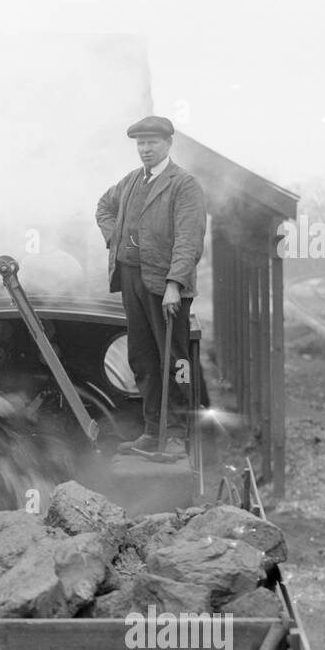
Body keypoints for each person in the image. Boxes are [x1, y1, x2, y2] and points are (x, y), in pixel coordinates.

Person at [95, 115, 206, 458]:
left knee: (175, 363)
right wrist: (117, 240)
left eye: (152, 143)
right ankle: (152, 432)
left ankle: (175, 437)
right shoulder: (130, 182)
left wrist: (175, 284)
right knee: (142, 358)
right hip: (131, 278)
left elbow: (189, 239)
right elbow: (103, 208)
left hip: (164, 285)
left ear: (168, 144)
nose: (145, 149)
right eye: (140, 144)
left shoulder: (183, 184)